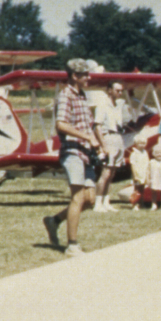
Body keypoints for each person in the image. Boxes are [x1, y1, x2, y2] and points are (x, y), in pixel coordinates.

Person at [43, 59, 101, 255]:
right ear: (75, 76)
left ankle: (54, 220)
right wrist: (87, 137)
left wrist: (99, 143)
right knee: (77, 197)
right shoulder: (66, 96)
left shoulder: (82, 96)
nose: (89, 77)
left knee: (90, 199)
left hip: (86, 153)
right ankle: (72, 245)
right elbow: (61, 125)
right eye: (85, 74)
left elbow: (90, 125)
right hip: (72, 152)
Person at [93, 80, 129, 211]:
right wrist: (103, 145)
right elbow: (97, 126)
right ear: (109, 90)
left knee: (112, 172)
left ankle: (106, 202)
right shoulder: (102, 105)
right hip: (108, 137)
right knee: (106, 172)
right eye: (117, 90)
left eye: (121, 91)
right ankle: (98, 203)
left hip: (118, 137)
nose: (119, 93)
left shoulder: (118, 105)